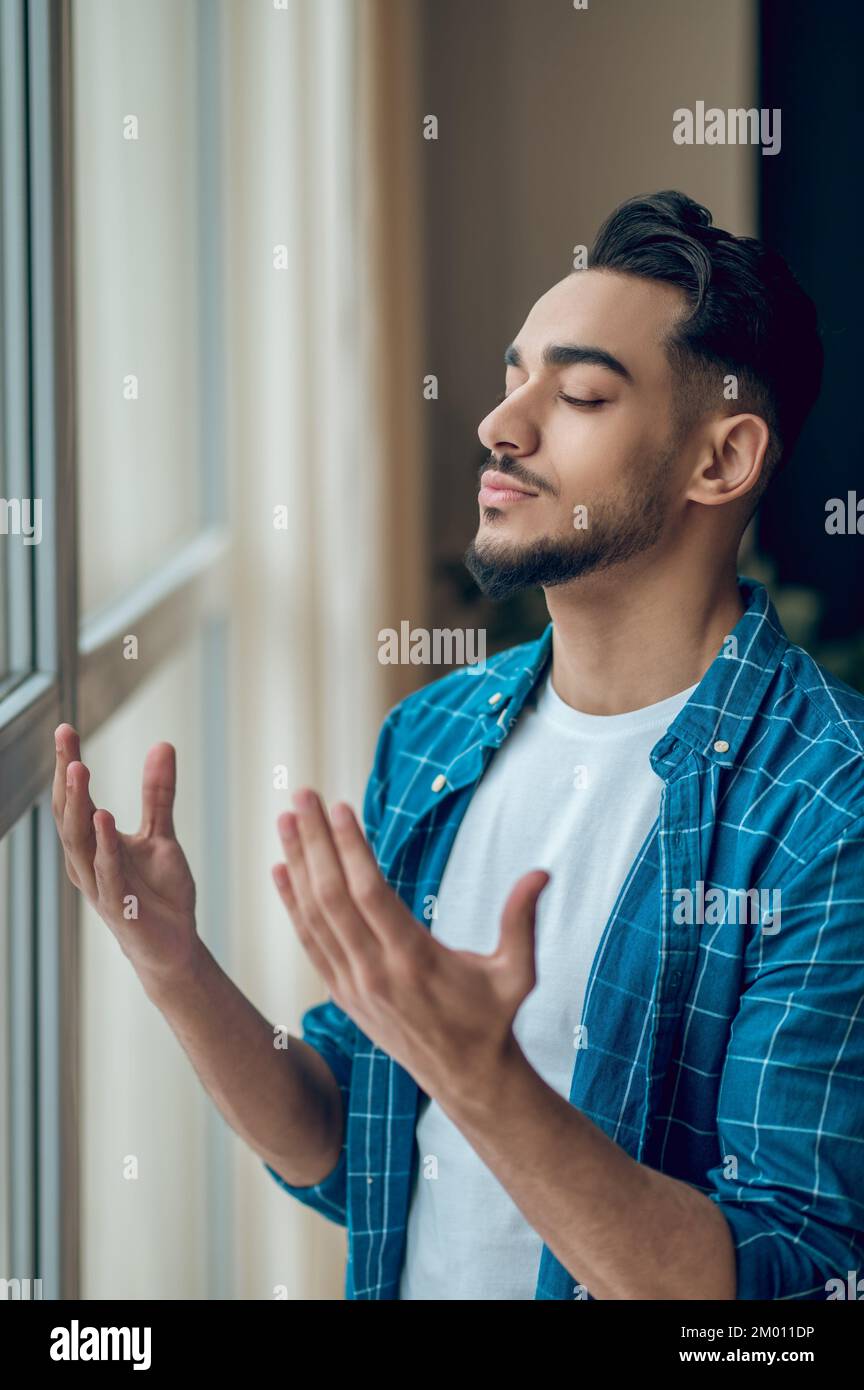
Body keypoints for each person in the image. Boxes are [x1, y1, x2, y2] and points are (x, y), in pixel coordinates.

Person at [53, 191, 864, 1301]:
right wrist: (174, 964)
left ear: (720, 461)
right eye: (513, 377)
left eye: (578, 392)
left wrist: (487, 1080)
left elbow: (798, 1282)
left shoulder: (832, 806)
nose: (503, 424)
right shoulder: (432, 738)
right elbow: (349, 1146)